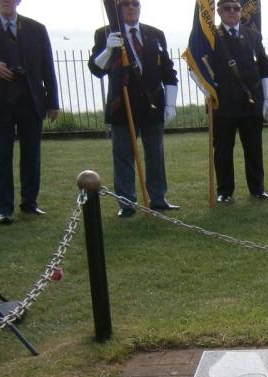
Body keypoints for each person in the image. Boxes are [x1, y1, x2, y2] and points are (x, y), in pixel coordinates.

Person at [0, 0, 59, 224]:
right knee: (2, 155)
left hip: (31, 101)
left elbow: (48, 66)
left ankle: (30, 203)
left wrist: (53, 102)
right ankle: (4, 209)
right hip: (0, 102)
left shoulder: (37, 28)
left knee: (31, 155)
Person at [89, 0, 180, 217]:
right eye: (126, 4)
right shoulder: (105, 33)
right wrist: (108, 50)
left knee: (155, 154)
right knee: (123, 156)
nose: (131, 7)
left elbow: (168, 71)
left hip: (152, 104)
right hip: (122, 104)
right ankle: (126, 203)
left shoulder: (155, 34)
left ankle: (158, 199)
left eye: (135, 4)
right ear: (118, 8)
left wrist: (170, 104)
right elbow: (96, 69)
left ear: (140, 8)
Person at [210, 1, 268, 203]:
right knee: (223, 150)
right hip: (224, 103)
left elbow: (264, 68)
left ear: (240, 12)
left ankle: (257, 189)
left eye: (236, 8)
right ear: (219, 11)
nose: (232, 12)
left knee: (254, 148)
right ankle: (225, 191)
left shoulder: (253, 35)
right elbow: (201, 68)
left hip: (251, 102)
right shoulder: (211, 36)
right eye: (227, 8)